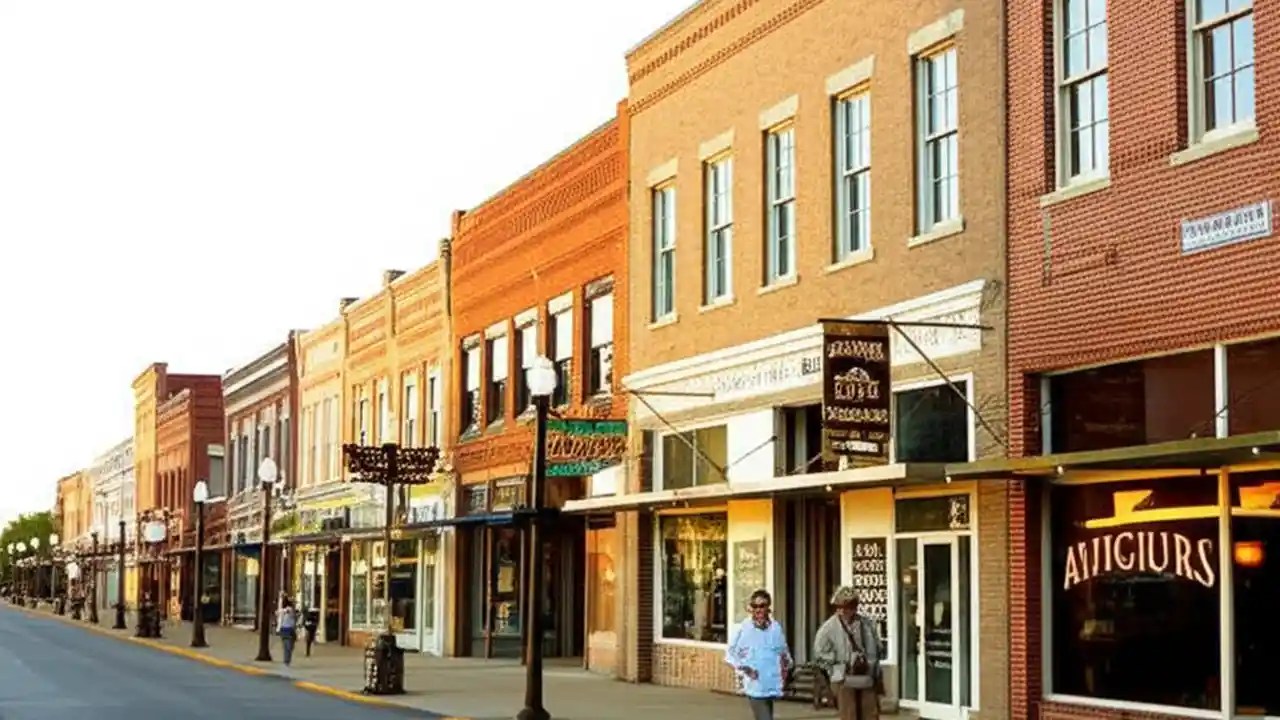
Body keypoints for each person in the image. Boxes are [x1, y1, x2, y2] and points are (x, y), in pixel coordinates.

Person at [814, 586, 881, 720]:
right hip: (843, 678)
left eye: (848, 606)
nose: (844, 610)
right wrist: (843, 659)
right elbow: (819, 653)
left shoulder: (866, 624)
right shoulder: (829, 627)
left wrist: (871, 665)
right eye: (840, 607)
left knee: (870, 714)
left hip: (866, 676)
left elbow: (877, 647)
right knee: (849, 715)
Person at [724, 588, 792, 720]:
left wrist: (786, 665)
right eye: (755, 606)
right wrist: (745, 668)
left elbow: (783, 651)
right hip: (754, 684)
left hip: (771, 683)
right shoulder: (744, 628)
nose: (758, 610)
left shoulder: (775, 628)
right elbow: (730, 654)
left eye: (762, 606)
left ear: (768, 607)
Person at [276, 596, 299, 666]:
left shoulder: (286, 611)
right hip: (289, 630)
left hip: (284, 629)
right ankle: (287, 660)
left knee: (286, 646)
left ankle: (286, 660)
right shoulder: (289, 610)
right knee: (289, 646)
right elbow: (287, 611)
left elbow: (278, 612)